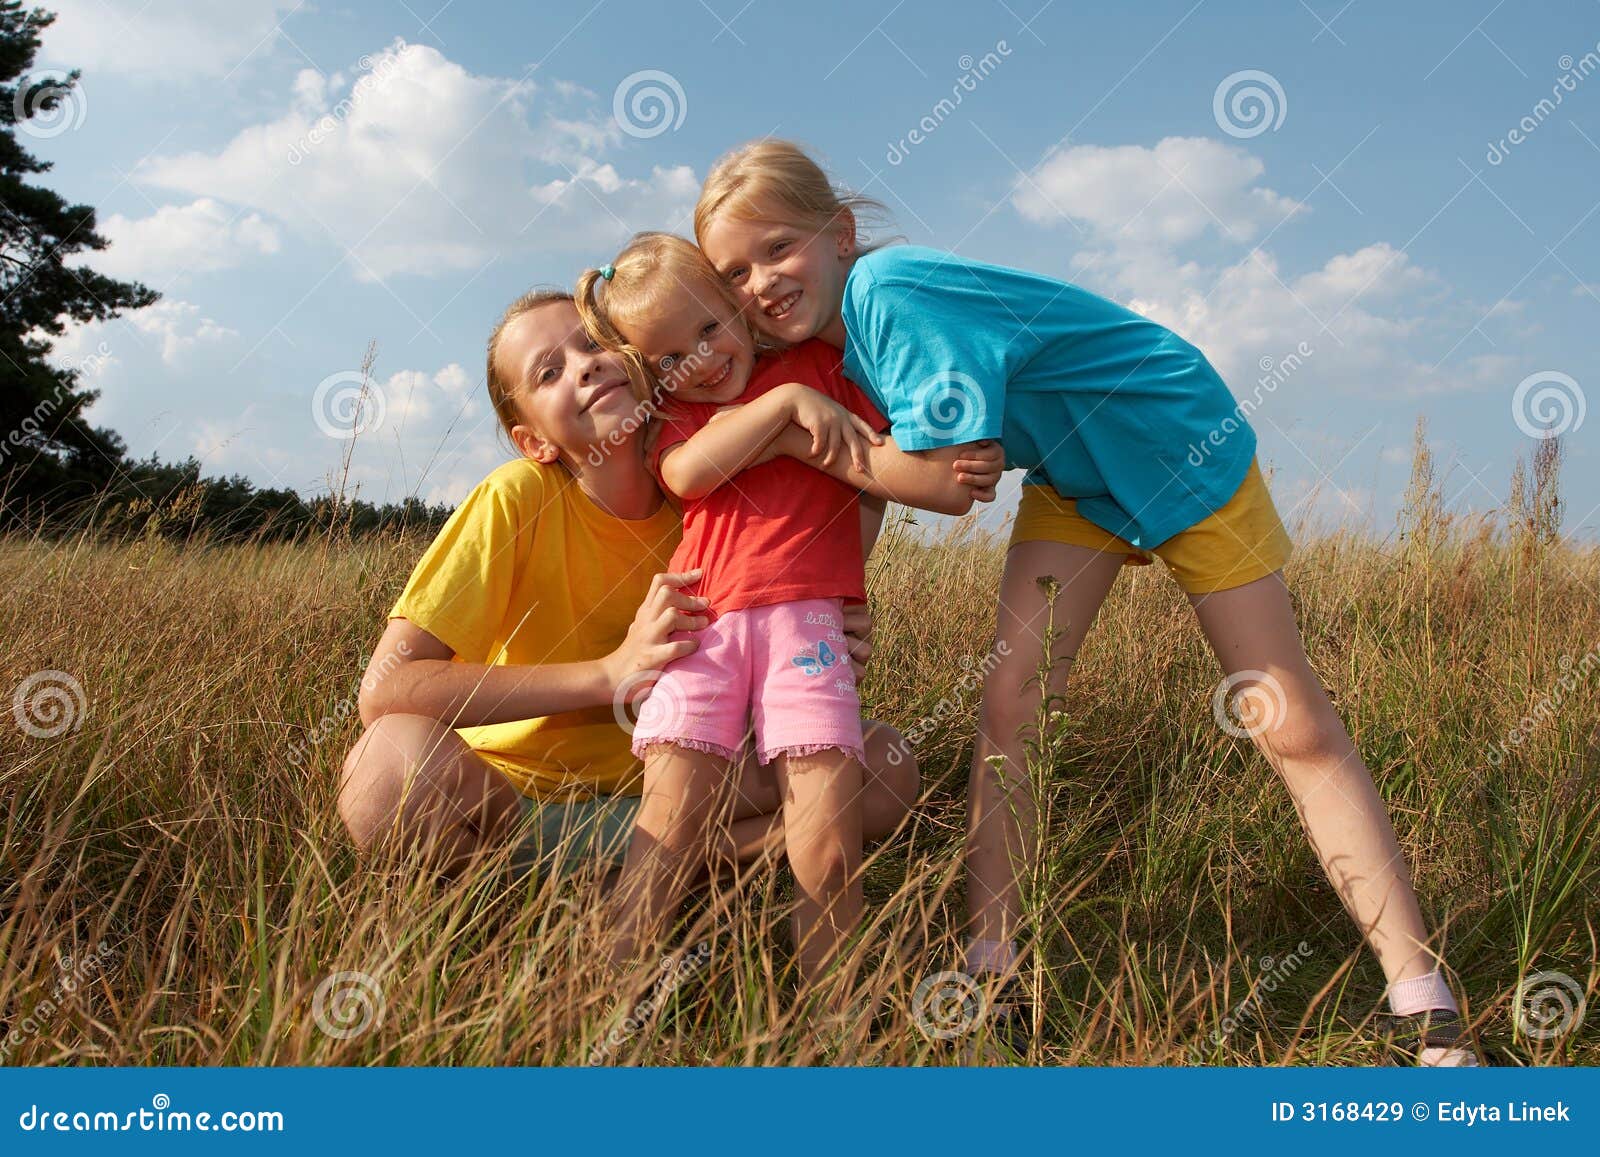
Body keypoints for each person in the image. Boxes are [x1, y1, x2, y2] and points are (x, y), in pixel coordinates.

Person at [692, 139, 1479, 1065]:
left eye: (778, 248)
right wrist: (837, 587)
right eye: (732, 272)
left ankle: (1421, 995)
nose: (761, 284)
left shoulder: (887, 294)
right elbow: (881, 478)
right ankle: (995, 972)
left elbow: (944, 485)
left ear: (841, 234)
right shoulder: (831, 357)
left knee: (1286, 717)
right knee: (1009, 701)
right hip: (1078, 477)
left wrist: (797, 440)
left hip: (1177, 438)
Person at [336, 290, 933, 894]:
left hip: (677, 789)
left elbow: (771, 639)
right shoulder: (514, 499)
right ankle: (565, 881)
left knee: (886, 767)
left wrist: (824, 634)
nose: (584, 365)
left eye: (594, 343)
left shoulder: (712, 498)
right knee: (383, 767)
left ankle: (631, 873)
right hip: (511, 801)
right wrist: (609, 674)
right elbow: (387, 689)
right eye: (549, 372)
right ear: (534, 441)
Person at [573, 232, 1000, 1008]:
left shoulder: (819, 366)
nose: (698, 362)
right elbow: (686, 472)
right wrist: (783, 407)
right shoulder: (680, 416)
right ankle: (601, 999)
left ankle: (832, 1021)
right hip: (706, 630)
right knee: (666, 829)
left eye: (708, 328)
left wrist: (959, 451)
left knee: (827, 843)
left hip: (807, 632)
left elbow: (887, 452)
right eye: (668, 358)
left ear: (736, 304)